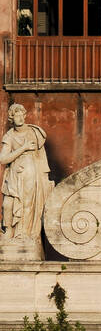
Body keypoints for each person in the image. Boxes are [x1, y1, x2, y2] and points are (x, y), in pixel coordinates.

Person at [0, 103, 52, 244]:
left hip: (31, 172)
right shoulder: (9, 136)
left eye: (21, 114)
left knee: (27, 203)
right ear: (12, 118)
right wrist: (23, 148)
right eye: (16, 115)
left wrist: (44, 177)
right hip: (14, 174)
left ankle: (24, 233)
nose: (19, 118)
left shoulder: (34, 132)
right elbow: (3, 159)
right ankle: (9, 230)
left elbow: (41, 156)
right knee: (7, 204)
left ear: (24, 115)